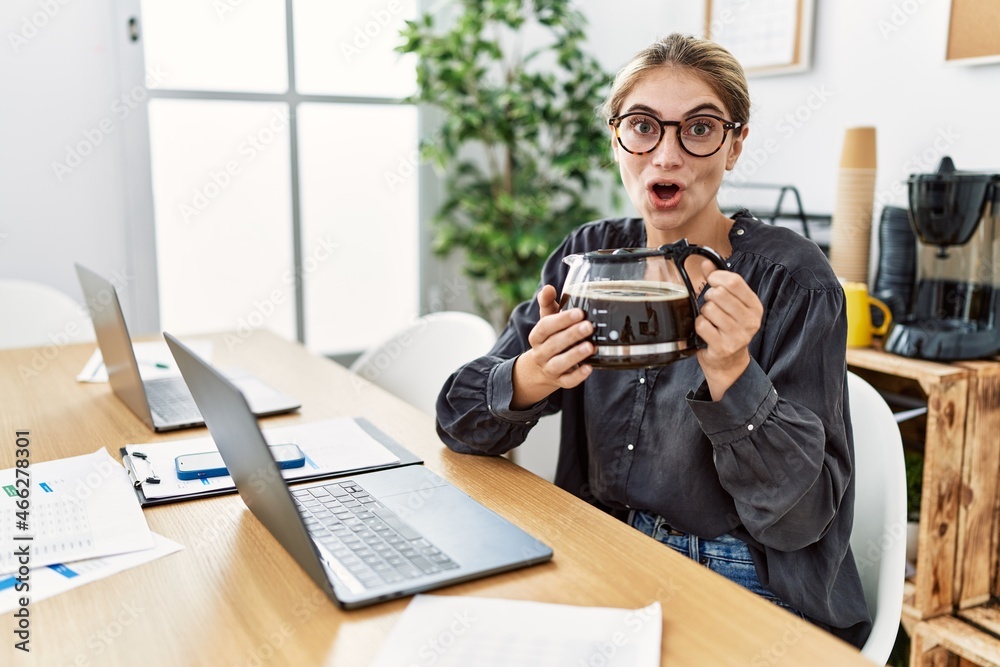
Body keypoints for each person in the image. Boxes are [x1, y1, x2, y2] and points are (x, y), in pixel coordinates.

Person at [435, 33, 872, 648]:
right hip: (602, 543)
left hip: (747, 575)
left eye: (698, 129)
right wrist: (533, 374)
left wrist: (732, 372)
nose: (666, 155)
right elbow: (455, 421)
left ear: (735, 144)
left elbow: (799, 520)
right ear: (617, 138)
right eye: (643, 127)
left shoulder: (794, 281)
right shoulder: (584, 260)